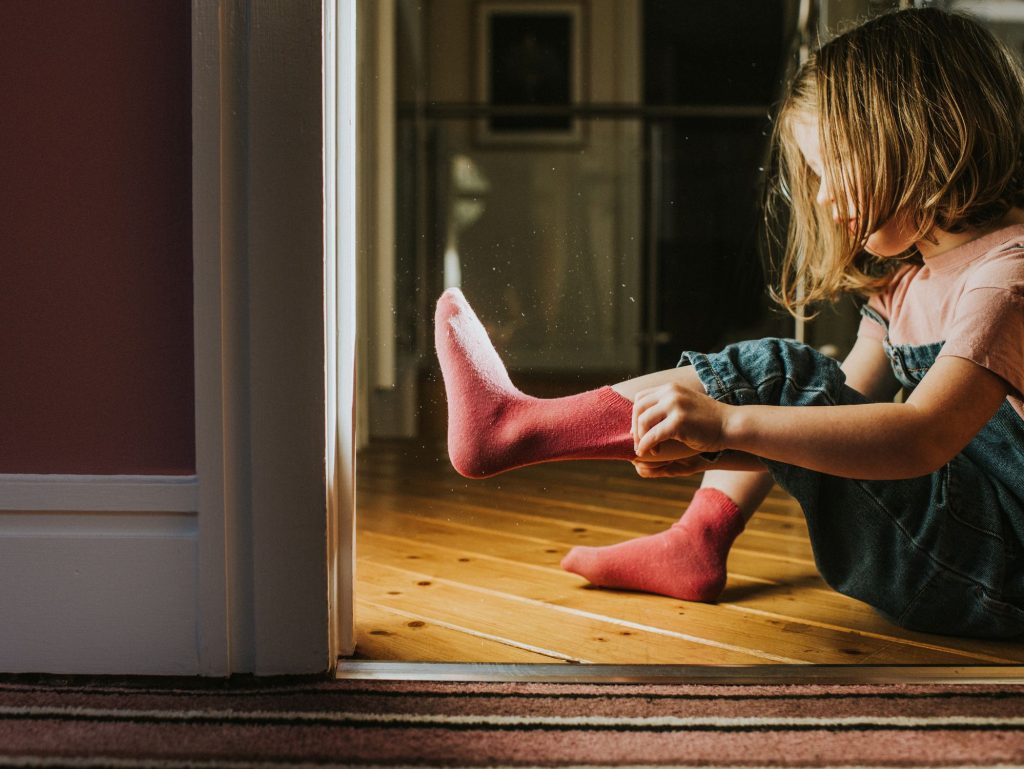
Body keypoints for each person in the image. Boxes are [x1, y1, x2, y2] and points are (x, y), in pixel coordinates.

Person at [434, 7, 1024, 639]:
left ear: (921, 138)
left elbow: (918, 437)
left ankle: (516, 427)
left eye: (834, 168)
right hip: (965, 551)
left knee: (783, 372)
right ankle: (699, 539)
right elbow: (838, 415)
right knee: (801, 388)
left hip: (997, 564)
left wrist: (731, 422)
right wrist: (731, 444)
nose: (824, 198)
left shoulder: (1007, 277)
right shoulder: (908, 278)